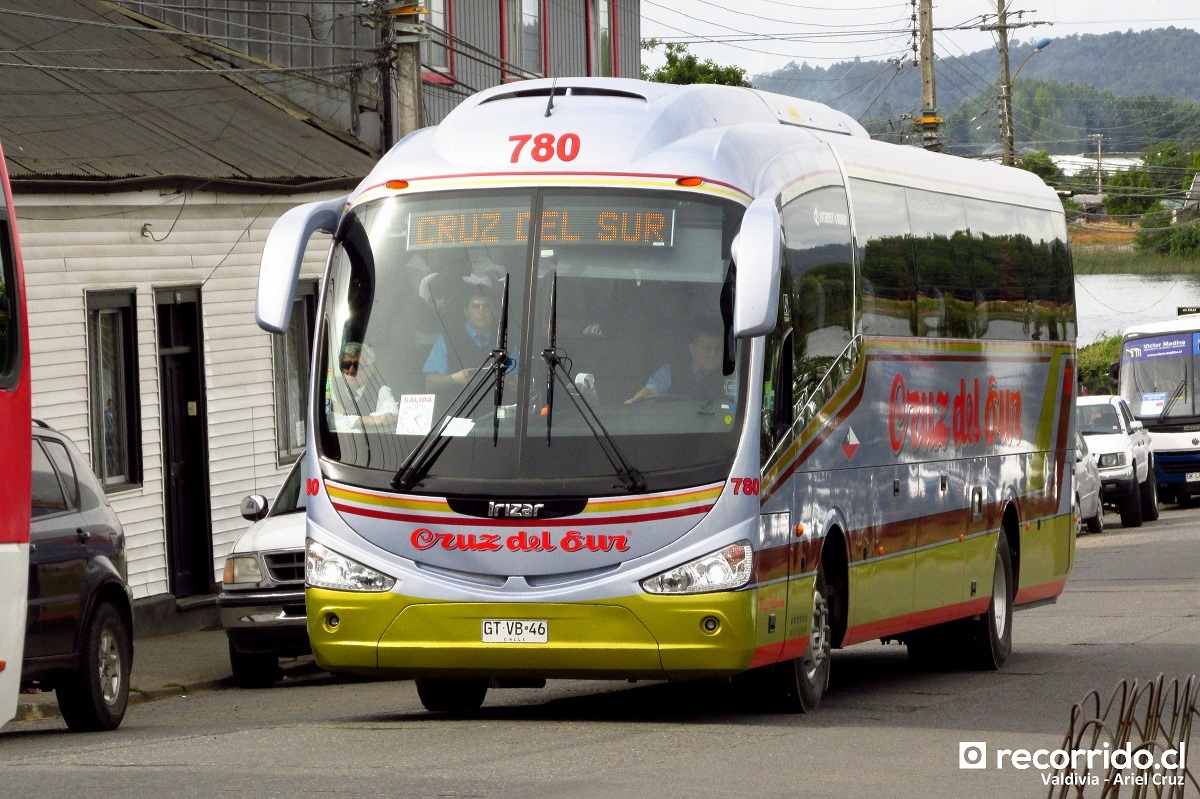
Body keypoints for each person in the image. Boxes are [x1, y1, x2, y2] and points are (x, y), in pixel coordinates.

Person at [423, 286, 504, 394]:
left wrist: (511, 380)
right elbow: (430, 383)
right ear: (466, 311)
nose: (481, 311)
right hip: (459, 409)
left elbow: (521, 380)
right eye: (475, 306)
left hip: (499, 409)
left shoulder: (506, 340)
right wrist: (455, 378)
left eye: (487, 306)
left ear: (494, 311)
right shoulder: (447, 340)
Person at [627, 327, 729, 404]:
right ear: (693, 349)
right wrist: (635, 402)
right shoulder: (671, 371)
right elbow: (650, 391)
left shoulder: (731, 375)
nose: (712, 354)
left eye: (718, 349)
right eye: (706, 349)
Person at [328, 342, 398, 431]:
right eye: (346, 365)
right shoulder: (330, 385)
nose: (351, 371)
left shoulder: (379, 388)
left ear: (370, 370)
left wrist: (347, 419)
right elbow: (330, 421)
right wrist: (366, 420)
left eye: (358, 366)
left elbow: (391, 416)